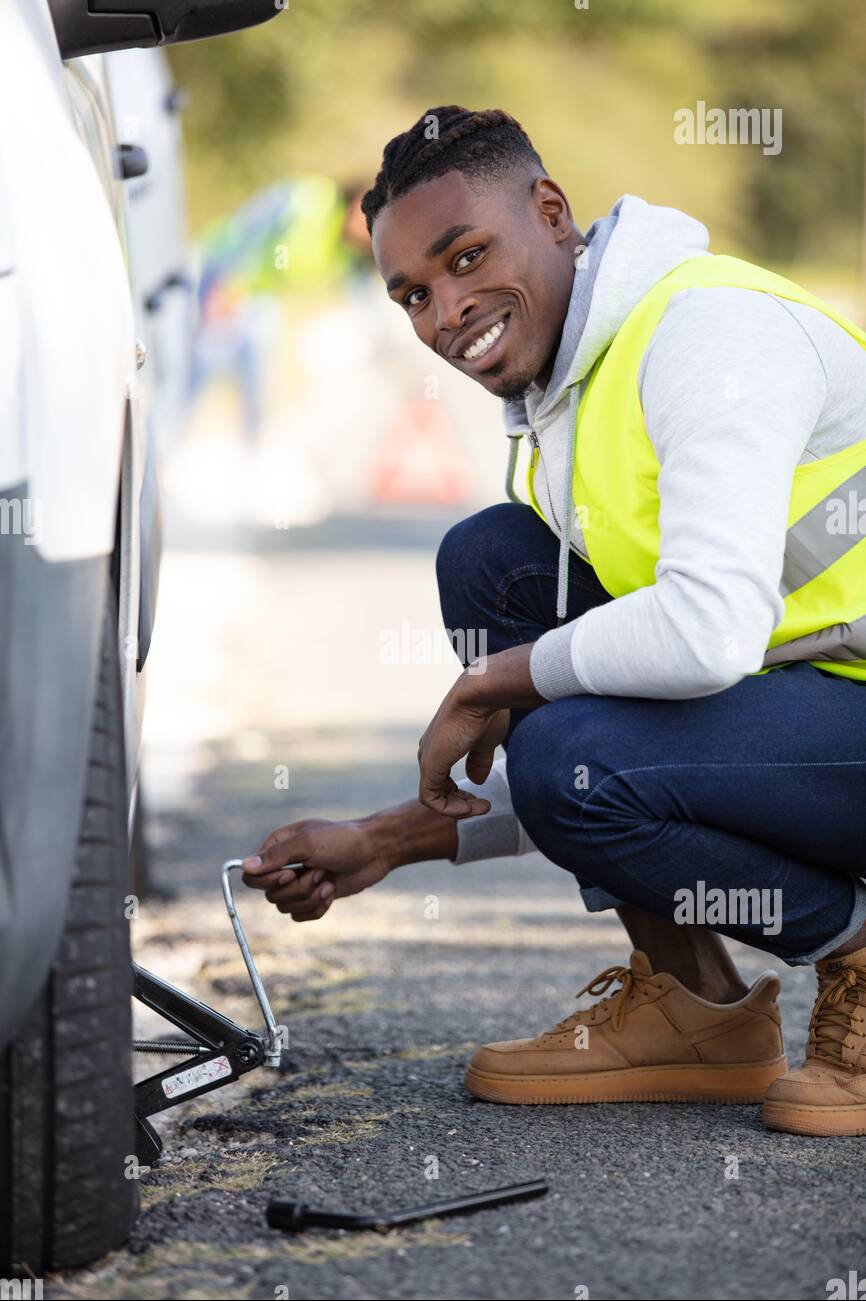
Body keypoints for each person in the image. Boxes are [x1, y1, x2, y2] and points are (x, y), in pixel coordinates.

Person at [243, 106, 866, 1138]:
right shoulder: (569, 389)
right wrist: (386, 840)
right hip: (818, 713)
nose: (446, 310)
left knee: (558, 723)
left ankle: (855, 956)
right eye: (412, 294)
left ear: (550, 211)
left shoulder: (706, 336)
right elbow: (620, 765)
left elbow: (703, 639)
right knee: (490, 564)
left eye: (466, 256)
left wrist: (497, 681)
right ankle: (694, 1006)